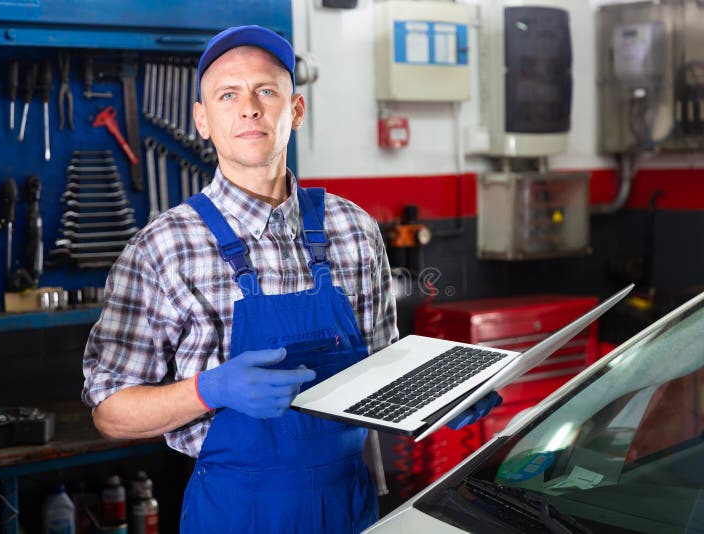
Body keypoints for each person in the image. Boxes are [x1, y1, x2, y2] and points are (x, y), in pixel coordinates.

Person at [82, 25, 500, 533]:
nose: (249, 108)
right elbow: (110, 412)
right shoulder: (162, 248)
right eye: (227, 94)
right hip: (237, 512)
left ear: (295, 110)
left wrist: (435, 399)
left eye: (266, 91)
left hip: (348, 503)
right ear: (202, 119)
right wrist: (207, 390)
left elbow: (381, 370)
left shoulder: (354, 228)